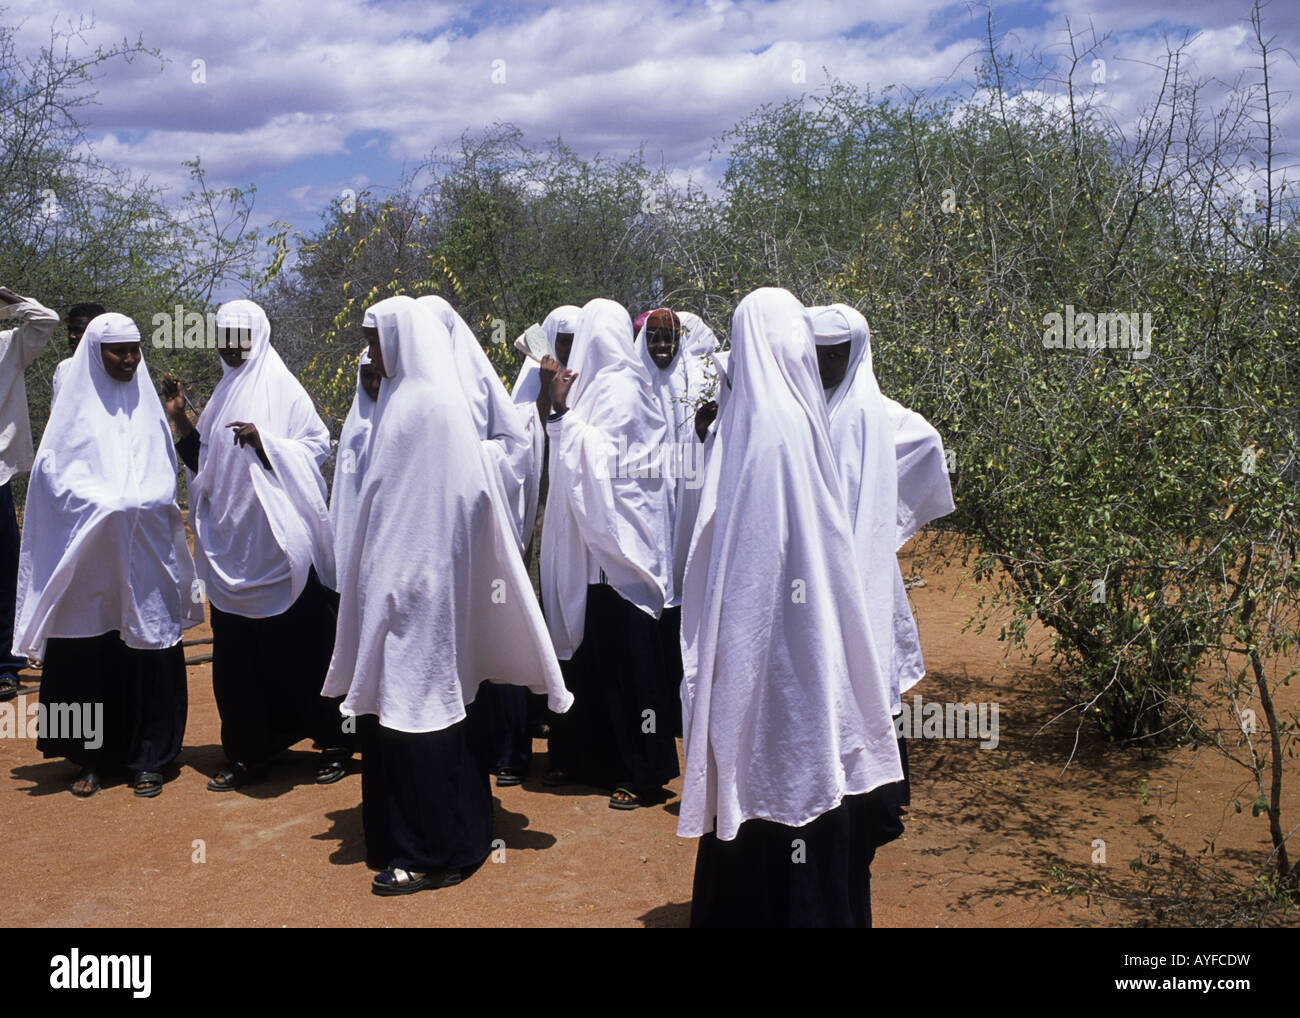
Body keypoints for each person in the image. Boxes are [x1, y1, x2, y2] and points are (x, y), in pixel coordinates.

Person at [322, 295, 572, 895]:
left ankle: (432, 852)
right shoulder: (400, 399)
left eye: (376, 337)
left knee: (421, 717)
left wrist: (419, 572)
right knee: (407, 714)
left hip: (419, 593)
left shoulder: (430, 406)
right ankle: (434, 839)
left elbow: (464, 499)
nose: (370, 350)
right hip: (399, 588)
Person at [678, 287, 903, 927]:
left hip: (774, 665)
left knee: (768, 789)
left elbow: (752, 576)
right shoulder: (790, 420)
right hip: (806, 659)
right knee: (801, 784)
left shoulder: (767, 432)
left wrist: (729, 680)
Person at [161, 299, 352, 791]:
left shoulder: (283, 389)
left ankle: (333, 744)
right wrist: (182, 418)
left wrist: (266, 440)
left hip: (282, 548)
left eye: (240, 336)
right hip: (231, 549)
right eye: (224, 337)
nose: (232, 346)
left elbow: (316, 446)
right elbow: (205, 462)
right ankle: (250, 752)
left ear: (259, 335)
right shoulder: (224, 393)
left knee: (306, 650)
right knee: (238, 663)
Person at [16, 313, 201, 797]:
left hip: (144, 560)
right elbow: (50, 484)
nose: (129, 358)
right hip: (90, 568)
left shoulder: (148, 411)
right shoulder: (73, 415)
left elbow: (165, 476)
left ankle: (150, 758)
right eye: (118, 350)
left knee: (147, 653)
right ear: (96, 355)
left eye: (135, 349)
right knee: (90, 657)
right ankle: (91, 760)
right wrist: (100, 504)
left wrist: (140, 502)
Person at [540, 297, 678, 810]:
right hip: (589, 553)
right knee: (591, 657)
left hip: (622, 553)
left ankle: (642, 771)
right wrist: (564, 412)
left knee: (629, 665)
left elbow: (611, 464)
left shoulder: (625, 388)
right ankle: (587, 759)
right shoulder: (594, 388)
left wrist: (564, 416)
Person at [417, 294, 536, 786]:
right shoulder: (411, 384)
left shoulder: (476, 381)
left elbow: (517, 448)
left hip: (478, 529)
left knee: (490, 637)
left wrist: (471, 459)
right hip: (426, 535)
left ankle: (505, 751)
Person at [635, 308, 716, 737]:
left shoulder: (695, 381)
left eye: (668, 337)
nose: (662, 345)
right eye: (654, 338)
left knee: (684, 601)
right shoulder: (635, 382)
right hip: (649, 507)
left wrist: (701, 434)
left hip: (686, 502)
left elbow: (706, 444)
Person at [0, 285, 58, 702]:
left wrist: (9, 300)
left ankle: (6, 667)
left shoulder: (8, 346)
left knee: (4, 573)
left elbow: (46, 320)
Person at [51, 302, 106, 404]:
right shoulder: (64, 368)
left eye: (78, 330)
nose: (72, 336)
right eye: (70, 330)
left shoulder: (116, 370)